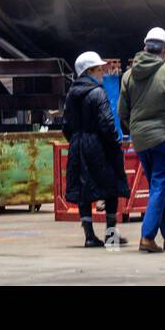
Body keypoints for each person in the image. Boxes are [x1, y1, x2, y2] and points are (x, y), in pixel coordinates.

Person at [117, 27, 165, 253]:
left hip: (140, 140)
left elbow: (122, 111)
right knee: (158, 187)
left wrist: (133, 130)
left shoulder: (128, 75)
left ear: (145, 46)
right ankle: (147, 237)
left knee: (157, 186)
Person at [62, 52, 129, 248]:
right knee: (111, 186)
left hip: (78, 144)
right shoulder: (98, 92)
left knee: (83, 190)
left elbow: (65, 125)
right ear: (89, 71)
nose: (102, 72)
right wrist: (115, 142)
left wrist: (76, 141)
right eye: (99, 69)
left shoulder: (72, 94)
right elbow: (107, 123)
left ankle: (89, 236)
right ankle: (110, 234)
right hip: (98, 145)